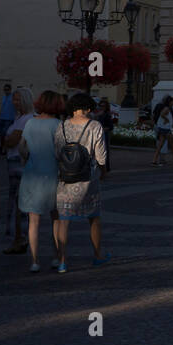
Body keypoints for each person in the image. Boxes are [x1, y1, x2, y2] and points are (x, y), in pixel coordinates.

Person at [53, 93, 110, 272]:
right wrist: (103, 172)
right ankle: (97, 254)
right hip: (88, 177)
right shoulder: (94, 126)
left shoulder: (61, 126)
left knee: (63, 220)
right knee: (94, 218)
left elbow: (57, 153)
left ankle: (62, 261)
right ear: (87, 108)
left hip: (65, 178)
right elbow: (101, 156)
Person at [18, 91, 64, 272]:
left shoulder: (30, 123)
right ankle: (56, 256)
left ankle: (35, 261)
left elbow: (22, 148)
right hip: (53, 174)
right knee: (56, 219)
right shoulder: (58, 125)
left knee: (33, 221)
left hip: (32, 174)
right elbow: (62, 152)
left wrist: (27, 158)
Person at [1, 87, 35, 255]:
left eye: (17, 99)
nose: (14, 103)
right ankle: (20, 238)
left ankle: (19, 239)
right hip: (16, 162)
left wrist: (6, 139)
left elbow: (11, 141)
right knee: (19, 203)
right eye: (13, 99)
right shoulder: (20, 117)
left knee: (18, 203)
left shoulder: (25, 119)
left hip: (19, 163)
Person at [152, 95, 173, 167]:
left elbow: (154, 115)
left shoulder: (160, 106)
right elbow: (162, 115)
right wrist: (167, 119)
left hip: (161, 127)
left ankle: (155, 160)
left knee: (161, 145)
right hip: (165, 129)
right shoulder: (167, 108)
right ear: (169, 101)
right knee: (170, 145)